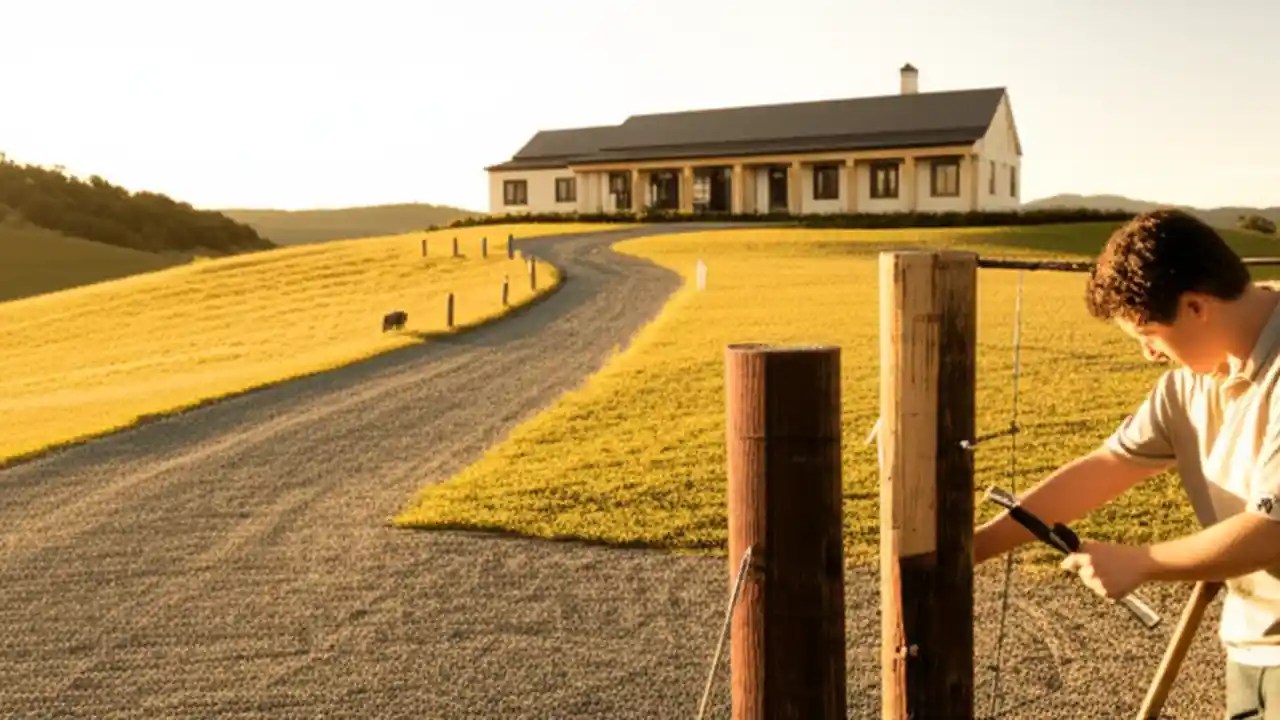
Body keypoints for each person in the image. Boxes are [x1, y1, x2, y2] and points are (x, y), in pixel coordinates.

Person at [973, 208, 1280, 719]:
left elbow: (1271, 532)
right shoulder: (1190, 383)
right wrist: (976, 547)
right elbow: (1108, 465)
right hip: (1250, 646)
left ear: (1195, 306)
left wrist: (1140, 560)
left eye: (1149, 335)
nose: (1148, 355)